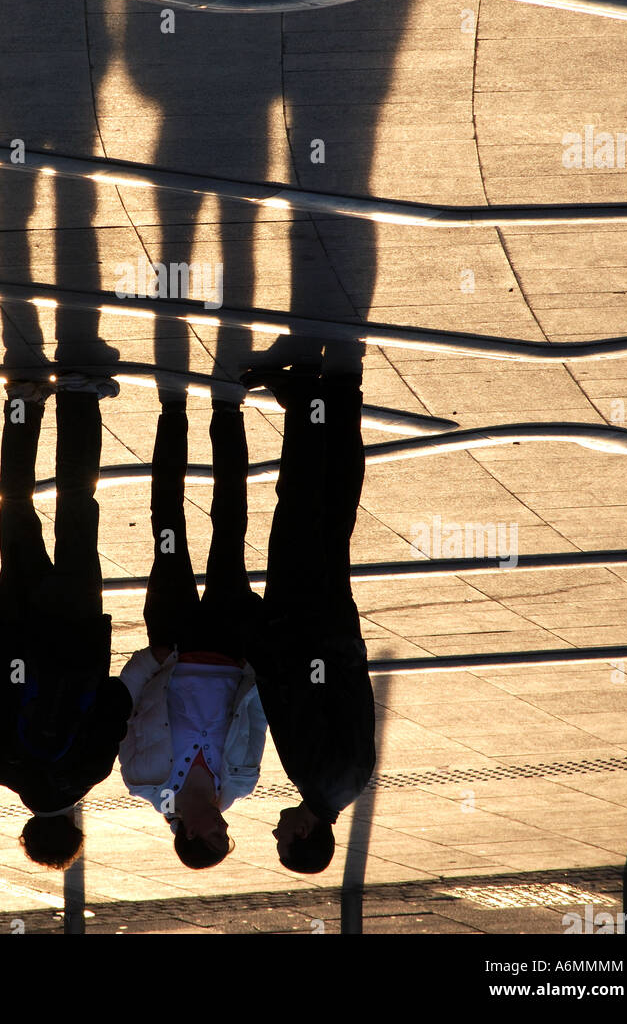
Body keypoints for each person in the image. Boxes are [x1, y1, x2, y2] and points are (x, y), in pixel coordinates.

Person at [0, 374, 132, 869]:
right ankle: (22, 405)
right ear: (27, 827)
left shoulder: (90, 769)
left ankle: (79, 397)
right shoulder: (3, 765)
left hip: (76, 626)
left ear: (72, 825)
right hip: (16, 626)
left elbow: (115, 699)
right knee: (16, 509)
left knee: (77, 509)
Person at [118, 393, 267, 869]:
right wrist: (257, 664)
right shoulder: (240, 782)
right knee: (230, 529)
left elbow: (121, 710)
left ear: (190, 835)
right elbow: (258, 718)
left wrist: (149, 660)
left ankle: (172, 413)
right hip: (229, 642)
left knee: (169, 524)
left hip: (173, 640)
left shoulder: (143, 779)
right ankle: (228, 415)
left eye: (217, 838)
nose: (226, 831)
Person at [241, 364, 377, 874]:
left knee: (334, 515)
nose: (276, 831)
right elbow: (299, 692)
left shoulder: (350, 784)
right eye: (282, 841)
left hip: (337, 630)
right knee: (299, 509)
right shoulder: (314, 777)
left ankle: (341, 396)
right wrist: (269, 637)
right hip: (304, 622)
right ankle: (304, 401)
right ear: (303, 834)